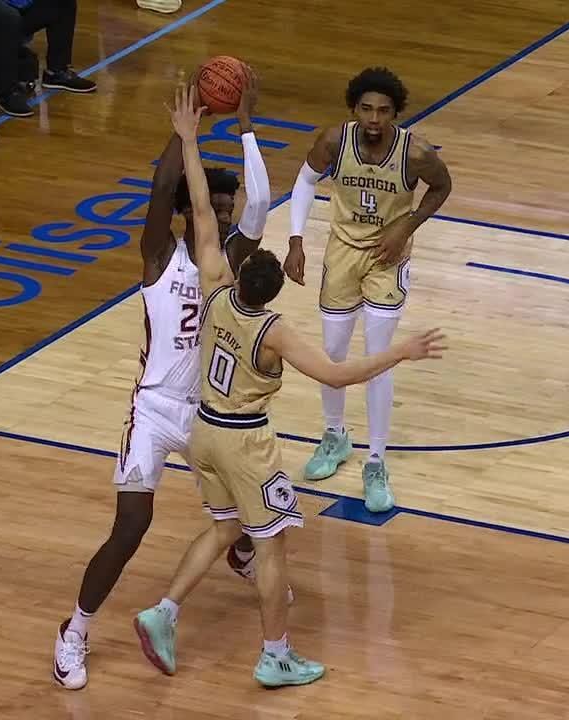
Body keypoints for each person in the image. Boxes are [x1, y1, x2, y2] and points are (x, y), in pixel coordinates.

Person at [132, 84, 446, 689]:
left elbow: (201, 210)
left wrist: (191, 142)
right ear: (273, 291)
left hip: (202, 434)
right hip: (245, 444)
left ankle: (163, 610)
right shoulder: (274, 332)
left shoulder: (214, 289)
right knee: (270, 549)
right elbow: (337, 373)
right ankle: (275, 653)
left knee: (226, 528)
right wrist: (401, 351)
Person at [52, 71, 275, 691]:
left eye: (229, 213)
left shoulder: (228, 261)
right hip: (153, 410)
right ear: (189, 211)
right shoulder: (159, 254)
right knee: (130, 529)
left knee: (249, 509)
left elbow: (260, 204)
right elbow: (159, 187)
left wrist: (247, 125)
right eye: (216, 208)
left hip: (208, 411)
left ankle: (239, 549)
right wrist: (185, 131)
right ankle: (73, 633)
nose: (227, 218)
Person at [281, 67, 453, 513]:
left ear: (396, 114)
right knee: (333, 354)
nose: (374, 118)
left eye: (383, 111)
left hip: (387, 258)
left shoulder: (415, 152)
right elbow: (304, 181)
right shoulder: (334, 142)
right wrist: (296, 239)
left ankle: (376, 460)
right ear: (354, 109)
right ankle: (335, 436)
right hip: (341, 252)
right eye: (366, 109)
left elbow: (442, 186)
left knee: (379, 357)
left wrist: (407, 224)